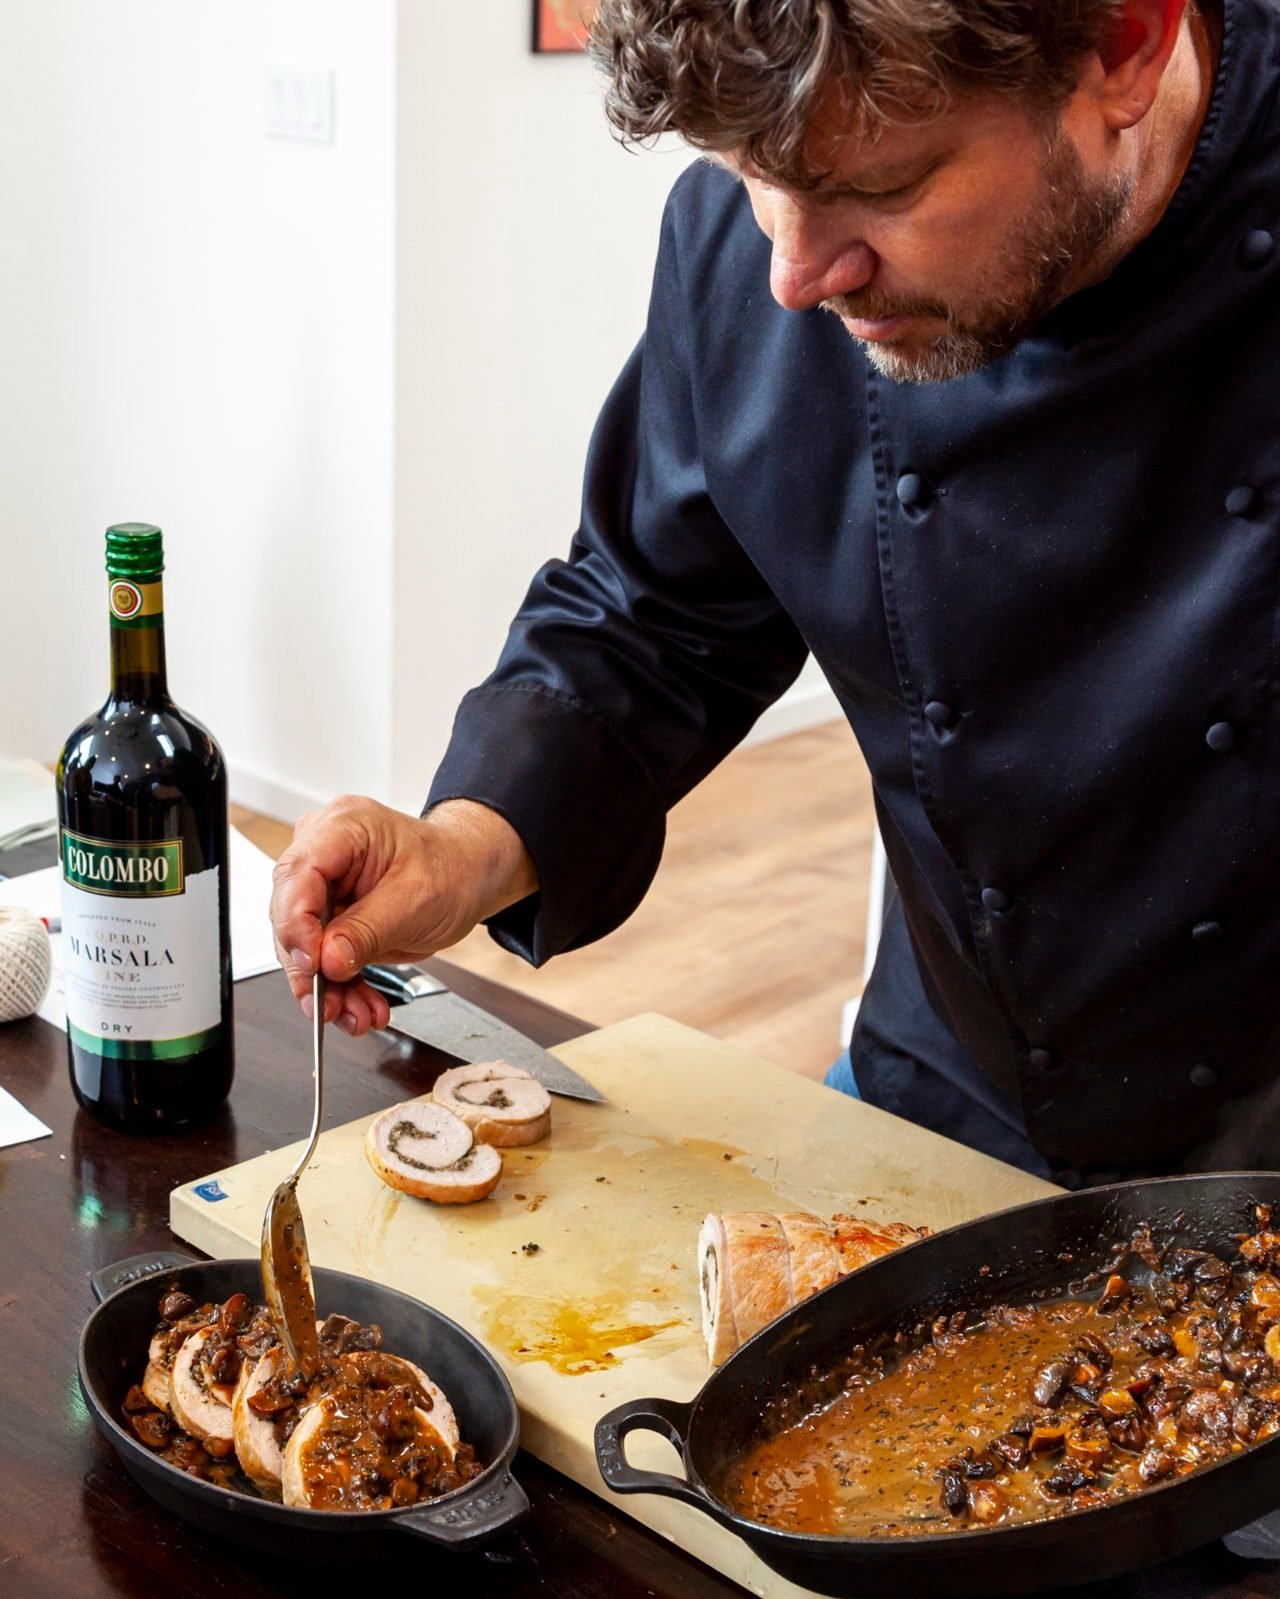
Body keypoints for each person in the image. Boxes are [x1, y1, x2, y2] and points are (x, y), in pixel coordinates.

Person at [270, 0, 1280, 1185]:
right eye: (750, 177)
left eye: (886, 187)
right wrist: (462, 845)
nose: (796, 276)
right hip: (946, 1103)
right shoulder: (752, 258)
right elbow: (655, 617)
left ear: (1122, 45)